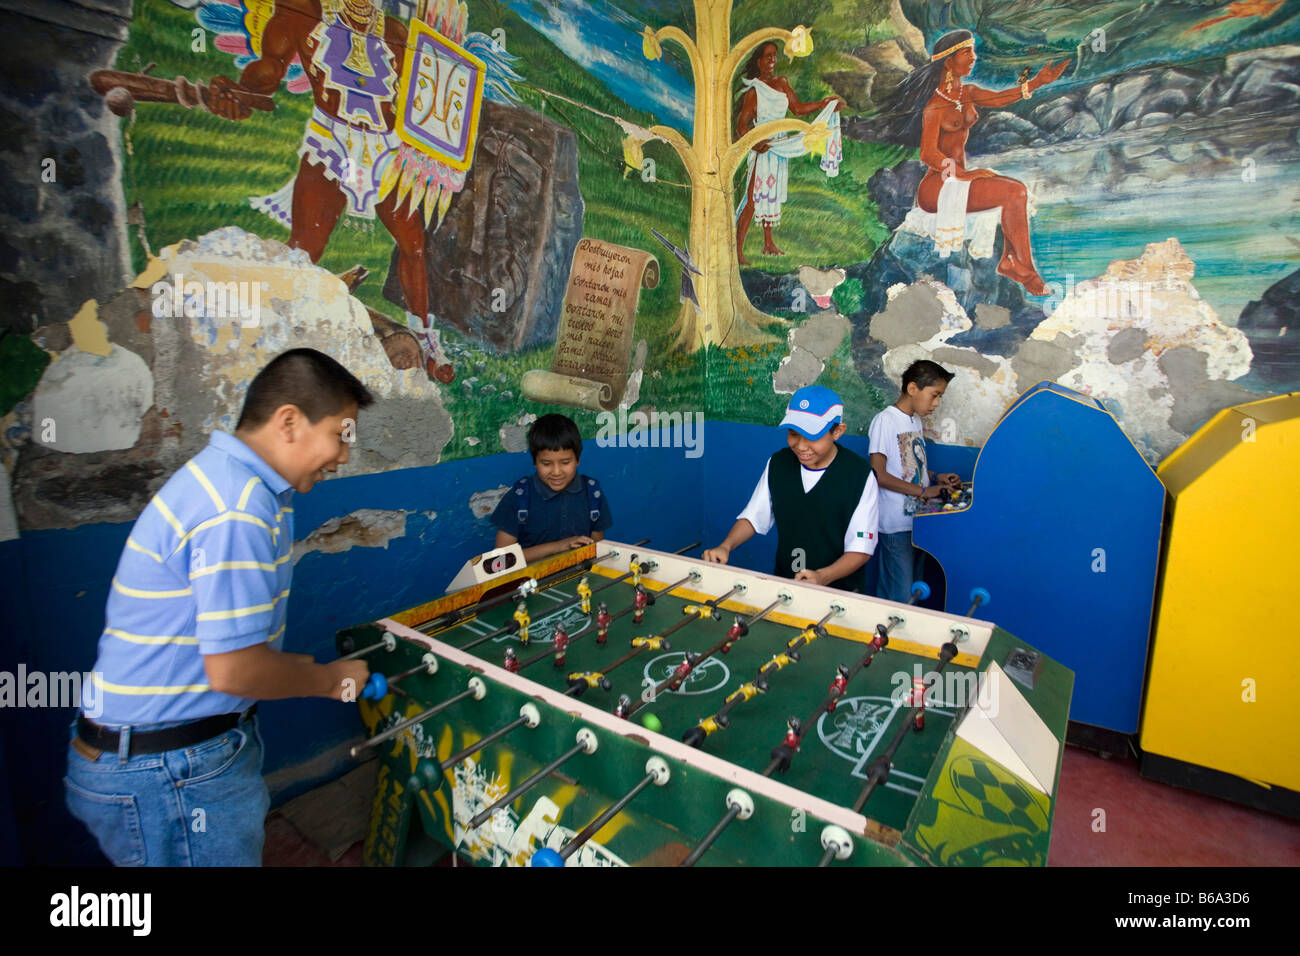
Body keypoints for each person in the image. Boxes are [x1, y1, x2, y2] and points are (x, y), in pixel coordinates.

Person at [64, 348, 375, 866]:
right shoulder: (236, 507)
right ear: (289, 422)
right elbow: (236, 670)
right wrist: (330, 680)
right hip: (169, 770)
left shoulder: (234, 484)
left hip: (158, 755)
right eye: (340, 435)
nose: (343, 456)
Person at [864, 30, 1068, 295]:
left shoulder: (967, 93)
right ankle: (1022, 269)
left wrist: (1037, 82)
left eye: (972, 51)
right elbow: (928, 153)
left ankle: (1013, 263)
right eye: (966, 52)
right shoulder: (935, 105)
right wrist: (960, 174)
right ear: (949, 61)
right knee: (1015, 192)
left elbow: (999, 98)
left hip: (958, 179)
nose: (973, 57)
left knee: (1016, 193)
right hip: (938, 186)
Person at [703, 386, 878, 592]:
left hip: (838, 592)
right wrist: (726, 546)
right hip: (785, 584)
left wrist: (822, 576)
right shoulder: (779, 463)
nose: (801, 446)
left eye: (812, 437)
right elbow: (754, 517)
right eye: (794, 434)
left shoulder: (859, 475)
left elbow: (861, 548)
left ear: (838, 431)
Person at [734, 41, 844, 265]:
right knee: (753, 199)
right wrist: (756, 144)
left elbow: (797, 108)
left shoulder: (782, 83)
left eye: (774, 55)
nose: (772, 60)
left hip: (780, 146)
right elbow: (741, 127)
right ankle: (736, 250)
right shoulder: (754, 92)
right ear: (758, 61)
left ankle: (768, 243)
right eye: (768, 56)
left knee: (772, 193)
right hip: (763, 147)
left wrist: (822, 104)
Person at [868, 359, 961, 603]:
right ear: (912, 388)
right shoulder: (885, 420)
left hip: (918, 521)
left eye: (940, 397)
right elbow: (878, 474)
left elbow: (910, 466)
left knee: (913, 592)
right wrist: (924, 491)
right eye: (934, 395)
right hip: (895, 524)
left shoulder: (915, 421)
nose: (937, 403)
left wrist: (936, 477)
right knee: (899, 595)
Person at [491, 414, 612, 563]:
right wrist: (557, 547)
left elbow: (596, 550)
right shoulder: (519, 498)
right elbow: (500, 560)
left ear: (578, 459)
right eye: (546, 464)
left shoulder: (593, 494)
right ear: (535, 462)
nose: (556, 472)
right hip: (530, 577)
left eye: (565, 462)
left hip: (579, 576)